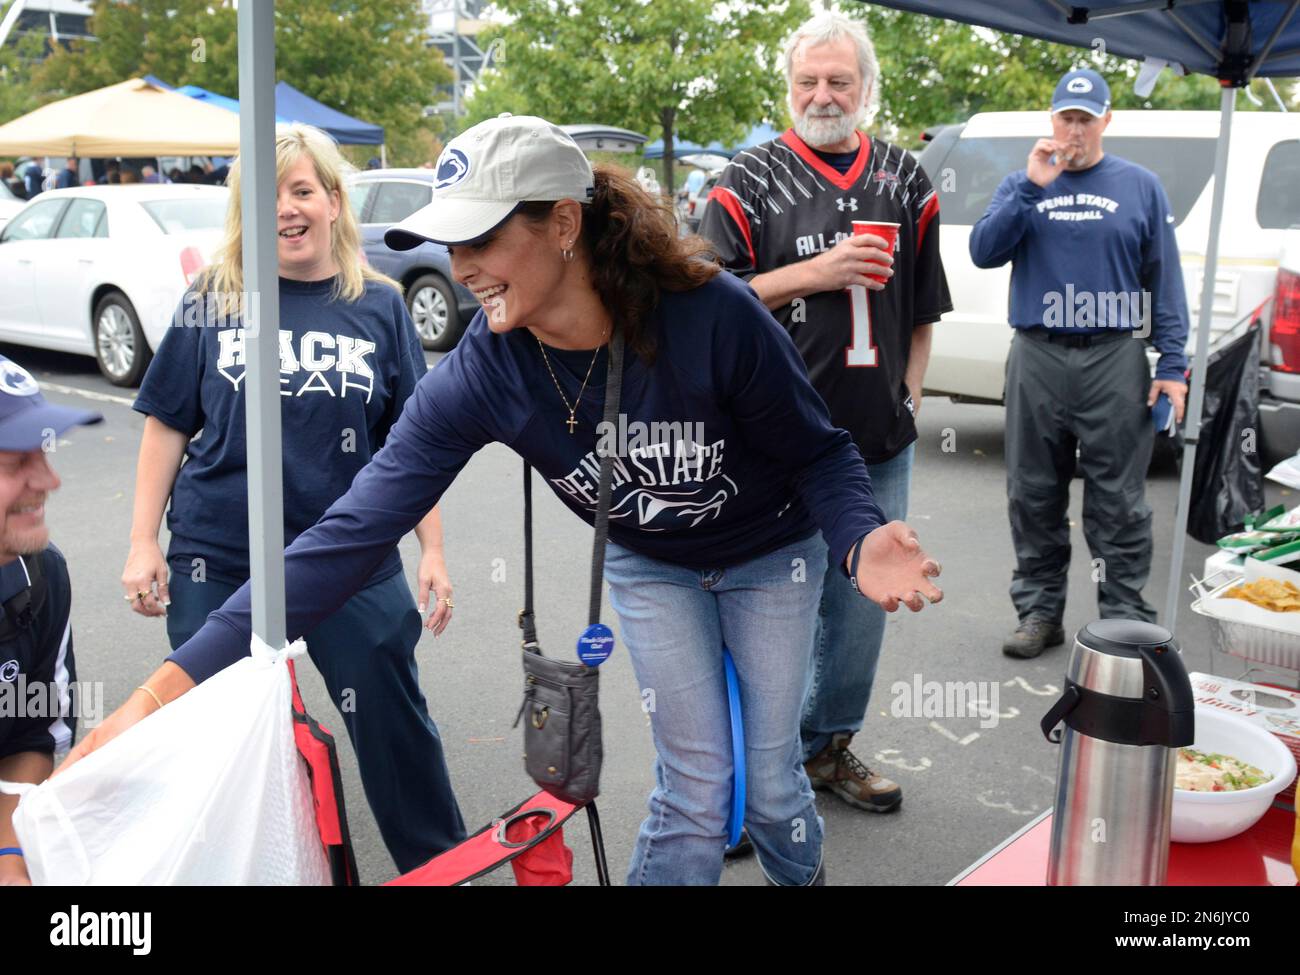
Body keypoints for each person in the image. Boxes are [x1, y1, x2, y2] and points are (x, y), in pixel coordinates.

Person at [67, 114, 943, 887]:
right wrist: (160, 692)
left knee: (775, 775)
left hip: (770, 553)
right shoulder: (487, 368)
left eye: (480, 240)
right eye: (450, 247)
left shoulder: (710, 314)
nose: (462, 270)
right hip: (652, 563)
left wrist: (860, 540)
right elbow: (345, 535)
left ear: (563, 223)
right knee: (700, 785)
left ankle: (803, 871)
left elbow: (821, 451)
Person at [117, 123, 466, 874]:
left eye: (303, 190)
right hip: (221, 554)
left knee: (393, 723)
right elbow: (168, 424)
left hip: (347, 556)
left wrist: (432, 549)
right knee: (219, 734)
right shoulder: (215, 299)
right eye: (268, 197)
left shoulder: (379, 306)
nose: (288, 209)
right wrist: (144, 539)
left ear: (335, 201)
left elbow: (414, 444)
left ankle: (437, 865)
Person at [700, 12, 951, 816]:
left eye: (839, 80)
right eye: (809, 80)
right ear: (788, 86)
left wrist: (911, 392)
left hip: (876, 437)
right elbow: (702, 301)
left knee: (859, 611)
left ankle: (826, 747)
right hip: (767, 441)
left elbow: (924, 308)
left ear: (866, 88)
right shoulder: (747, 179)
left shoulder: (907, 179)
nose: (823, 94)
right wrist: (815, 271)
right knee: (769, 607)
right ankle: (752, 774)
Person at [969, 69, 1189, 657]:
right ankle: (1040, 613)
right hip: (1037, 352)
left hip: (1113, 356)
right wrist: (1031, 187)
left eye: (1085, 119)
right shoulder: (1024, 183)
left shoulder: (1140, 186)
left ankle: (1123, 619)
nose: (1074, 129)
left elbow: (1164, 280)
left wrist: (1173, 364)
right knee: (1032, 491)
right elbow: (984, 252)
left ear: (1106, 121)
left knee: (1118, 498)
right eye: (1065, 117)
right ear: (1051, 119)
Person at [0, 356, 102, 886]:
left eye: (44, 450)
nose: (50, 479)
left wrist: (9, 859)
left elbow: (31, 737)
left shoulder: (41, 576)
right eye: (15, 461)